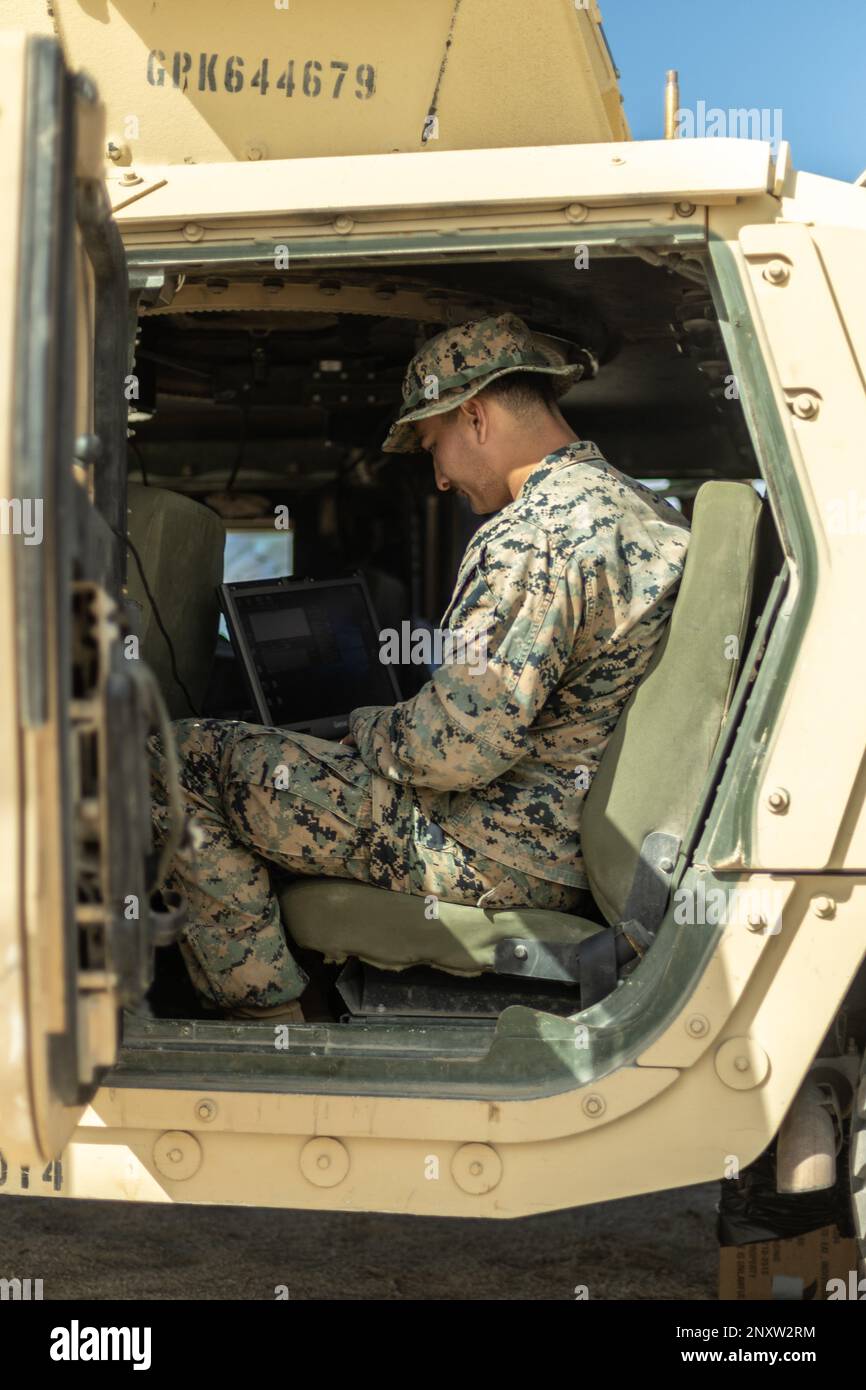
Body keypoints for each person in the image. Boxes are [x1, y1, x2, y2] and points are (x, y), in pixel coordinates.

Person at [148, 312, 690, 1021]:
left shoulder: (537, 534)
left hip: (500, 848)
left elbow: (455, 750)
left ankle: (268, 1022)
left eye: (435, 446)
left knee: (181, 756)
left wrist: (366, 729)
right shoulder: (642, 508)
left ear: (475, 417)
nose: (437, 479)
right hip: (562, 838)